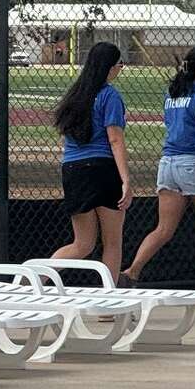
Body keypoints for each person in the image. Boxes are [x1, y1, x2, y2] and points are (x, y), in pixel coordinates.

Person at [120, 46, 195, 299]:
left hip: (168, 164)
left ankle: (132, 271)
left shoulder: (172, 93)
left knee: (164, 228)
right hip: (193, 163)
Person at [50, 42, 131, 280]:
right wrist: (126, 179)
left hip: (73, 169)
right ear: (109, 67)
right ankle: (107, 303)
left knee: (82, 244)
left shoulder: (75, 96)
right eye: (119, 64)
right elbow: (115, 140)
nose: (120, 69)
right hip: (103, 169)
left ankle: (34, 277)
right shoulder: (110, 95)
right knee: (112, 243)